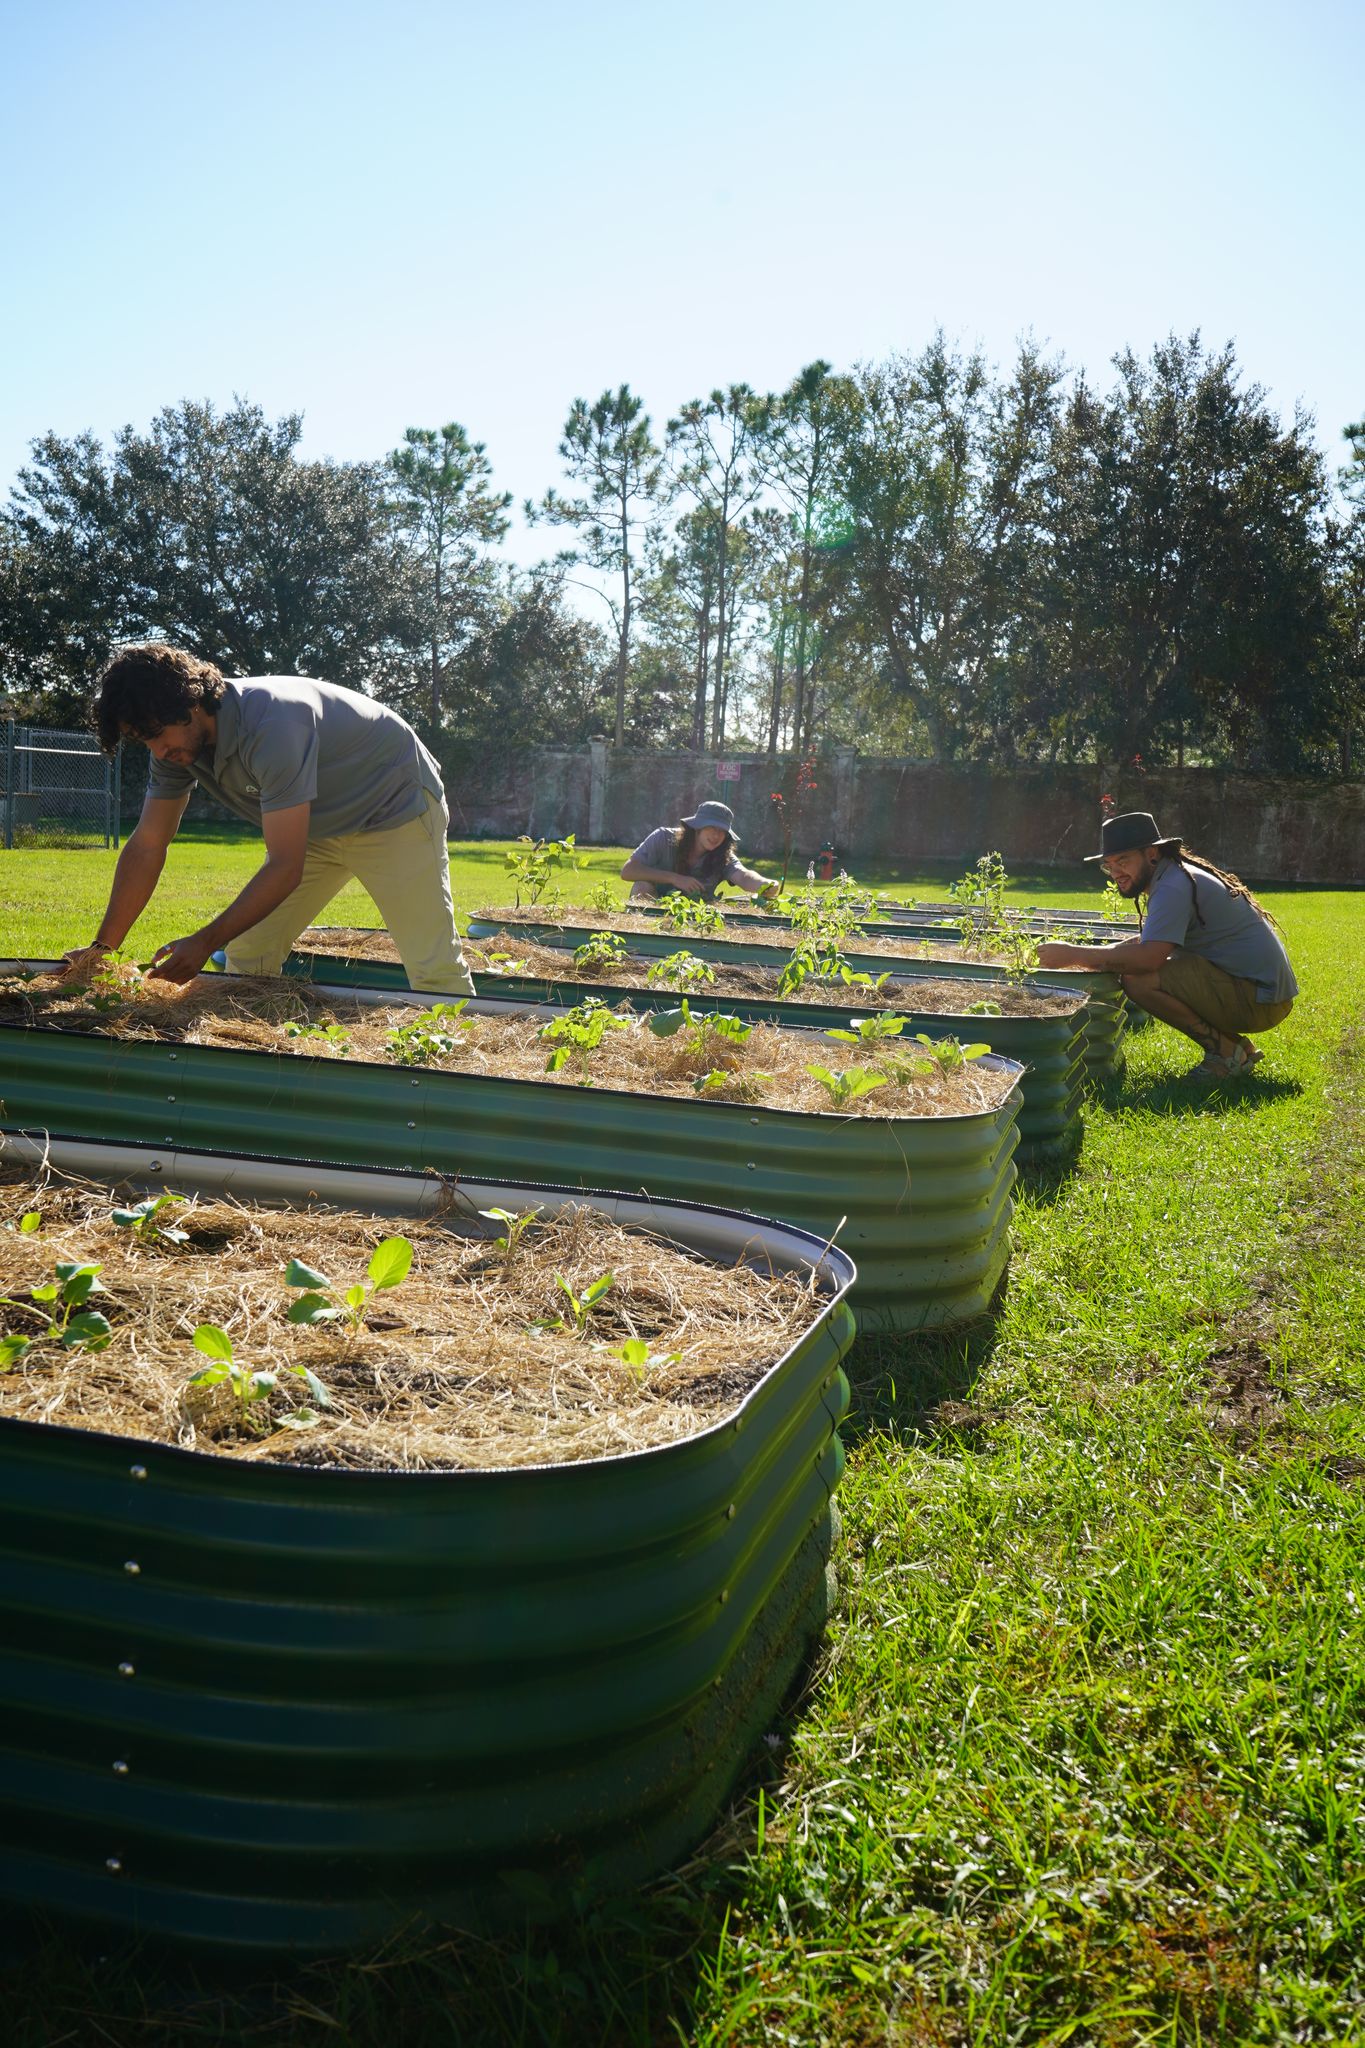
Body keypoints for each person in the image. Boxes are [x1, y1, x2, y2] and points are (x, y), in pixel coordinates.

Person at [63, 643, 474, 993]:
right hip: (315, 827)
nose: (156, 750)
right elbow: (149, 844)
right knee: (247, 954)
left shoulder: (273, 725)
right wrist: (103, 949)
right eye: (143, 740)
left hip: (392, 809)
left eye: (156, 734)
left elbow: (285, 866)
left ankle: (461, 1082)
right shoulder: (176, 750)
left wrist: (205, 941)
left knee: (432, 966)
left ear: (188, 704)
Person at [1036, 811, 1297, 1080]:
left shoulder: (1172, 886)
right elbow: (1152, 943)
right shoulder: (1173, 876)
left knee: (1139, 980)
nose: (1115, 873)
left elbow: (1149, 959)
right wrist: (1100, 953)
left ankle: (1225, 1053)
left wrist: (1073, 954)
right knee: (1133, 964)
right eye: (1109, 864)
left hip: (1260, 1001)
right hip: (1262, 994)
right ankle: (1235, 1048)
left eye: (1123, 861)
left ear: (1151, 854)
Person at [620, 800, 777, 903]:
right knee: (642, 887)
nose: (716, 835)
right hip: (651, 917)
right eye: (711, 827)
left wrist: (766, 884)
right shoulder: (663, 837)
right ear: (697, 827)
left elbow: (743, 876)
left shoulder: (724, 857)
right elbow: (628, 871)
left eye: (722, 831)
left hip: (695, 923)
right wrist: (674, 878)